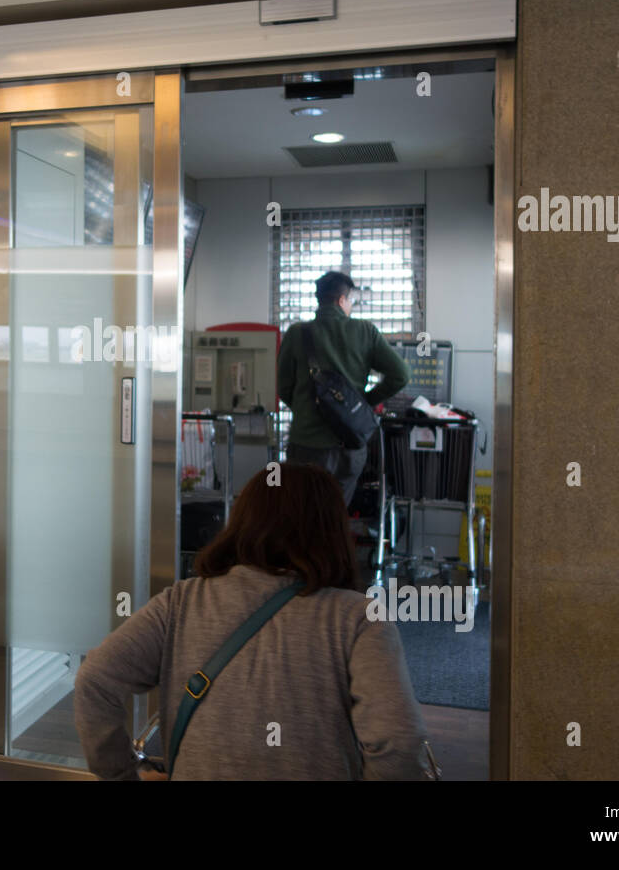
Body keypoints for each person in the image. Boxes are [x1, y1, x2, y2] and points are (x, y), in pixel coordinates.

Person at [73, 462, 430, 780]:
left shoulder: (181, 602)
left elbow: (95, 679)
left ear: (243, 521)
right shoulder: (359, 619)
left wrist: (121, 773)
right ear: (332, 532)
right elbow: (398, 741)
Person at [277, 270, 411, 506]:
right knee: (334, 516)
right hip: (347, 447)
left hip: (305, 446)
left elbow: (284, 388)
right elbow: (401, 375)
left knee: (300, 516)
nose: (351, 306)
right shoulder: (364, 331)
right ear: (341, 300)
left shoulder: (296, 333)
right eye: (351, 301)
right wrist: (364, 401)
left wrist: (307, 408)